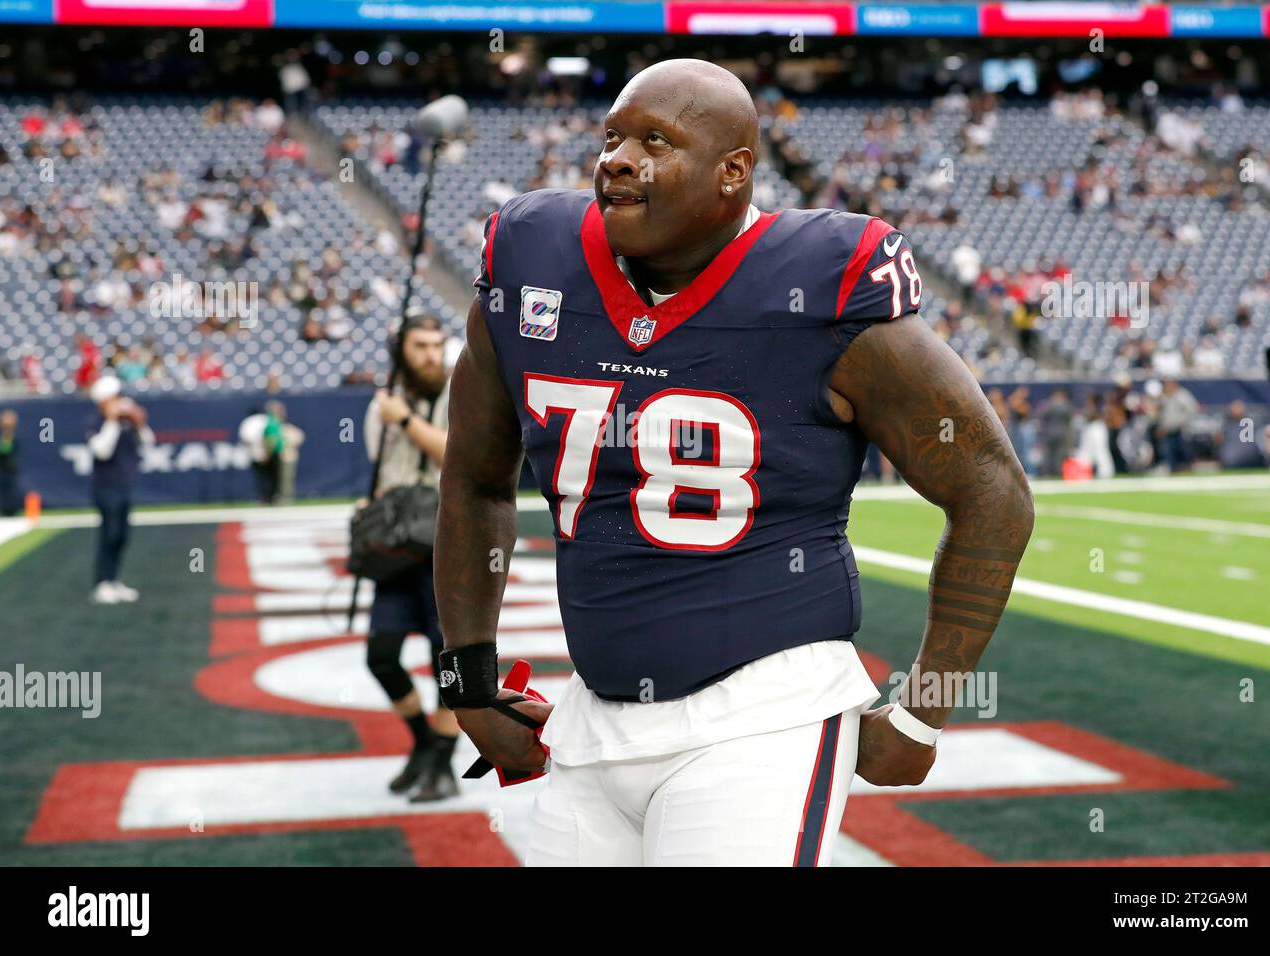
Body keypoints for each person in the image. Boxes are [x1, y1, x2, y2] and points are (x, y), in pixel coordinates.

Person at [435, 60, 1034, 866]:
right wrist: (466, 684)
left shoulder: (818, 286)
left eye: (656, 141)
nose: (617, 158)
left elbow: (992, 487)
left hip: (765, 718)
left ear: (733, 171)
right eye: (612, 137)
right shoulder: (532, 259)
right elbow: (474, 480)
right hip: (591, 721)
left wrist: (923, 708)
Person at [363, 312, 459, 802]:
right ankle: (424, 744)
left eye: (436, 345)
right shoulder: (382, 404)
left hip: (448, 539)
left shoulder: (460, 391)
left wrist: (403, 419)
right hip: (399, 543)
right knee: (381, 654)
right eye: (420, 345)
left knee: (448, 658)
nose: (430, 354)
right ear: (401, 350)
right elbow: (385, 472)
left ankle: (443, 764)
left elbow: (456, 455)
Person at [86, 376, 154, 604]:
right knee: (109, 533)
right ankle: (102, 582)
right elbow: (102, 451)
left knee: (122, 536)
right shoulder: (96, 422)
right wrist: (112, 421)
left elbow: (148, 444)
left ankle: (114, 579)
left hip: (124, 485)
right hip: (105, 487)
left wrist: (140, 423)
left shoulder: (128, 422)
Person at [0, 409, 19, 516]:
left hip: (10, 466)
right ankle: (4, 509)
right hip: (2, 466)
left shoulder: (12, 436)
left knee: (10, 488)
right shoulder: (2, 436)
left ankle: (11, 510)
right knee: (3, 488)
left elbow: (6, 450)